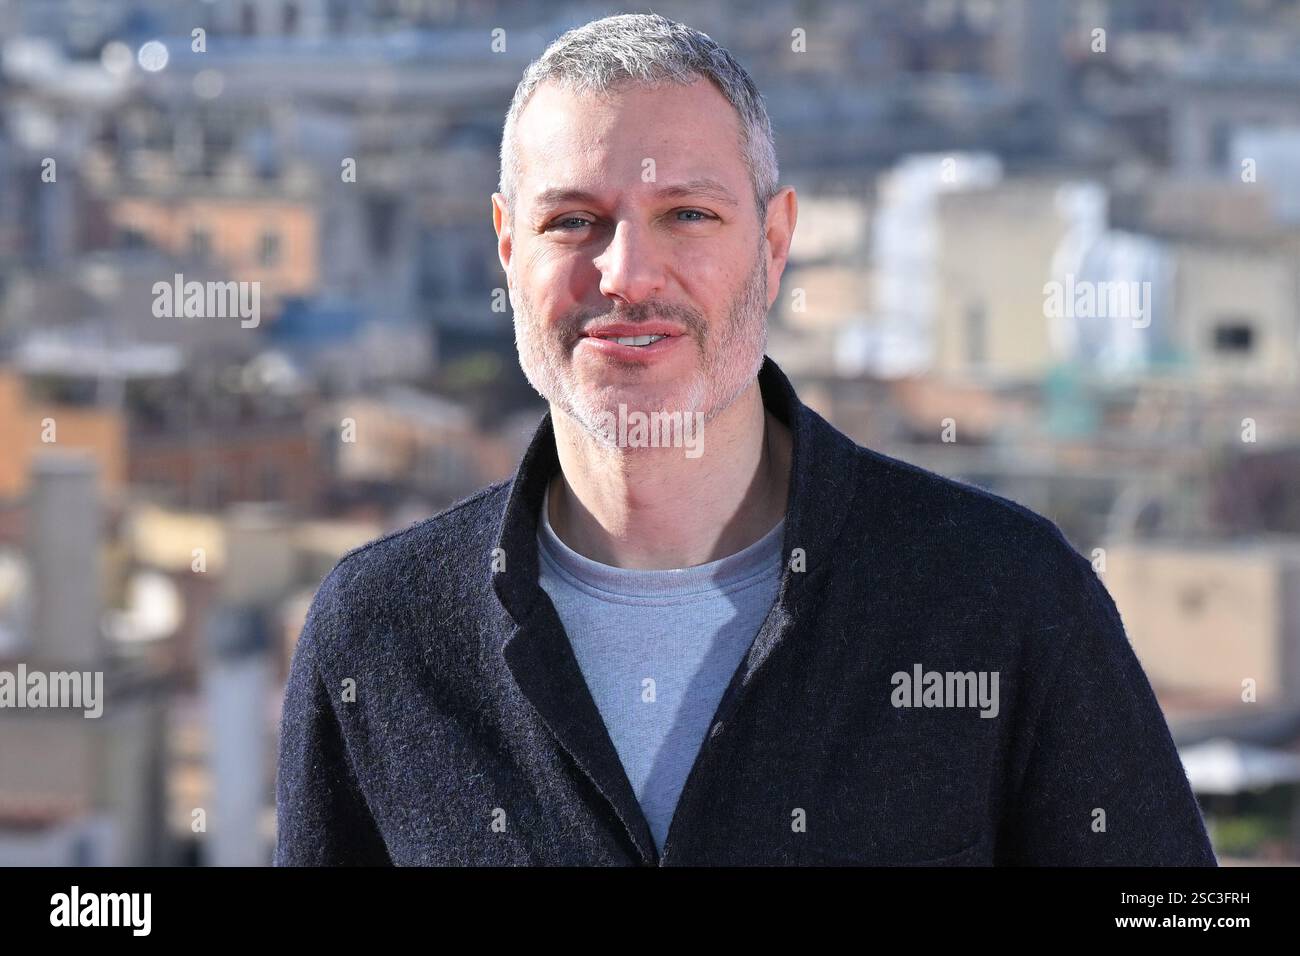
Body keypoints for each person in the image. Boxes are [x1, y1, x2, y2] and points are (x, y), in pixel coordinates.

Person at [275, 13, 1216, 866]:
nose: (627, 275)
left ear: (774, 245)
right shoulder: (381, 636)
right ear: (508, 249)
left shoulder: (1005, 597)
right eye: (573, 221)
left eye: (688, 214)